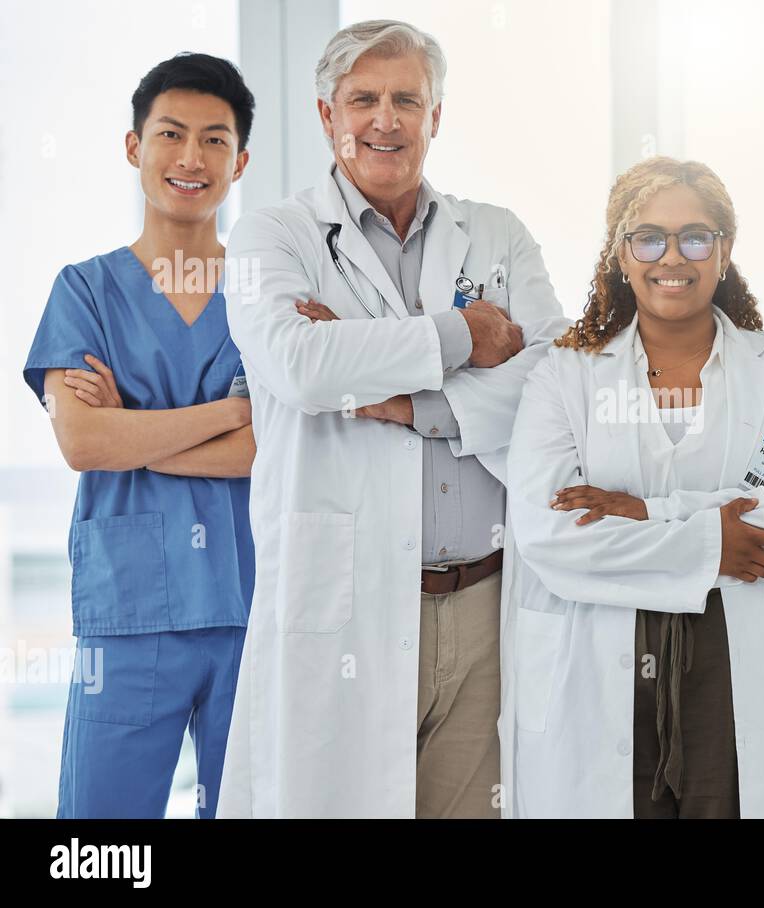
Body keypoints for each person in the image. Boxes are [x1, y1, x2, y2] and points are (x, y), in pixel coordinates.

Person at [217, 20, 566, 818]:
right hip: (346, 598)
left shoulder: (498, 235)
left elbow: (552, 382)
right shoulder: (272, 236)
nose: (386, 119)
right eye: (363, 100)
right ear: (326, 116)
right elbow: (301, 365)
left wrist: (414, 402)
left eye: (406, 99)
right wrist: (463, 336)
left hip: (484, 599)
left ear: (435, 116)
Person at [499, 156, 764, 819]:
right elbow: (550, 534)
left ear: (725, 252)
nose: (674, 257)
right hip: (603, 658)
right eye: (649, 238)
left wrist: (649, 512)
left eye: (696, 236)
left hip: (739, 652)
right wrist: (713, 543)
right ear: (621, 255)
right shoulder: (565, 376)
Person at [22, 53, 257, 818]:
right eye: (171, 134)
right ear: (135, 147)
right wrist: (228, 412)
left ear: (241, 161)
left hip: (252, 608)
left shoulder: (267, 296)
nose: (192, 158)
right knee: (102, 843)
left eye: (215, 140)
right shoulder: (84, 290)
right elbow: (83, 444)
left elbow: (276, 448)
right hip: (129, 616)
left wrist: (134, 426)